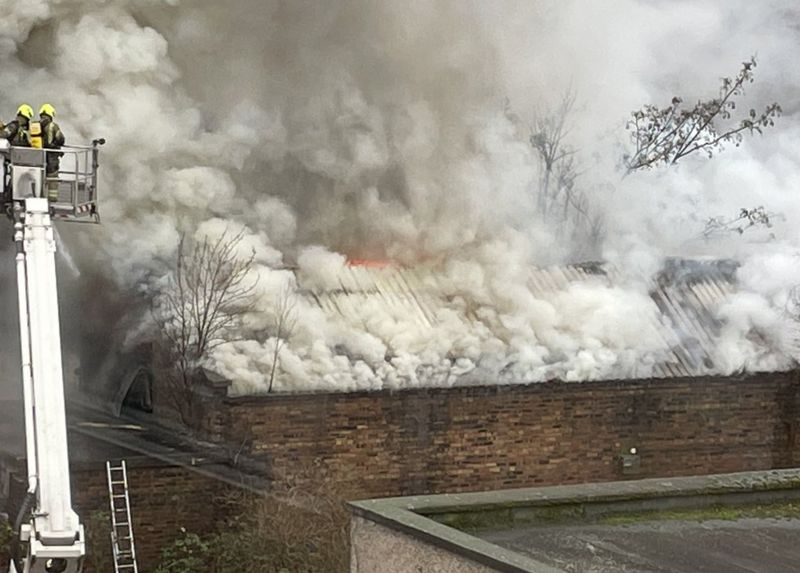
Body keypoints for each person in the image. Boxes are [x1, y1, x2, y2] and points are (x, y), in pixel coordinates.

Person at [38, 104, 65, 201]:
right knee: (52, 179)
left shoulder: (35, 125)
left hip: (37, 158)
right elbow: (60, 138)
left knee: (38, 179)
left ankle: (37, 197)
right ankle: (52, 201)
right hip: (51, 158)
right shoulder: (53, 126)